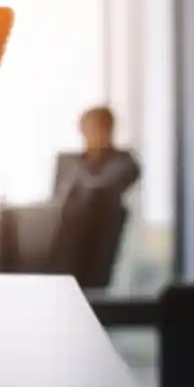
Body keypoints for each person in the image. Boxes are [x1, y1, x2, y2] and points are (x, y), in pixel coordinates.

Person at [49, 106, 141, 288]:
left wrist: (81, 178)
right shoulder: (72, 164)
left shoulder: (123, 163)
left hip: (101, 239)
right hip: (66, 245)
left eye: (96, 129)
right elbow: (57, 198)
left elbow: (103, 187)